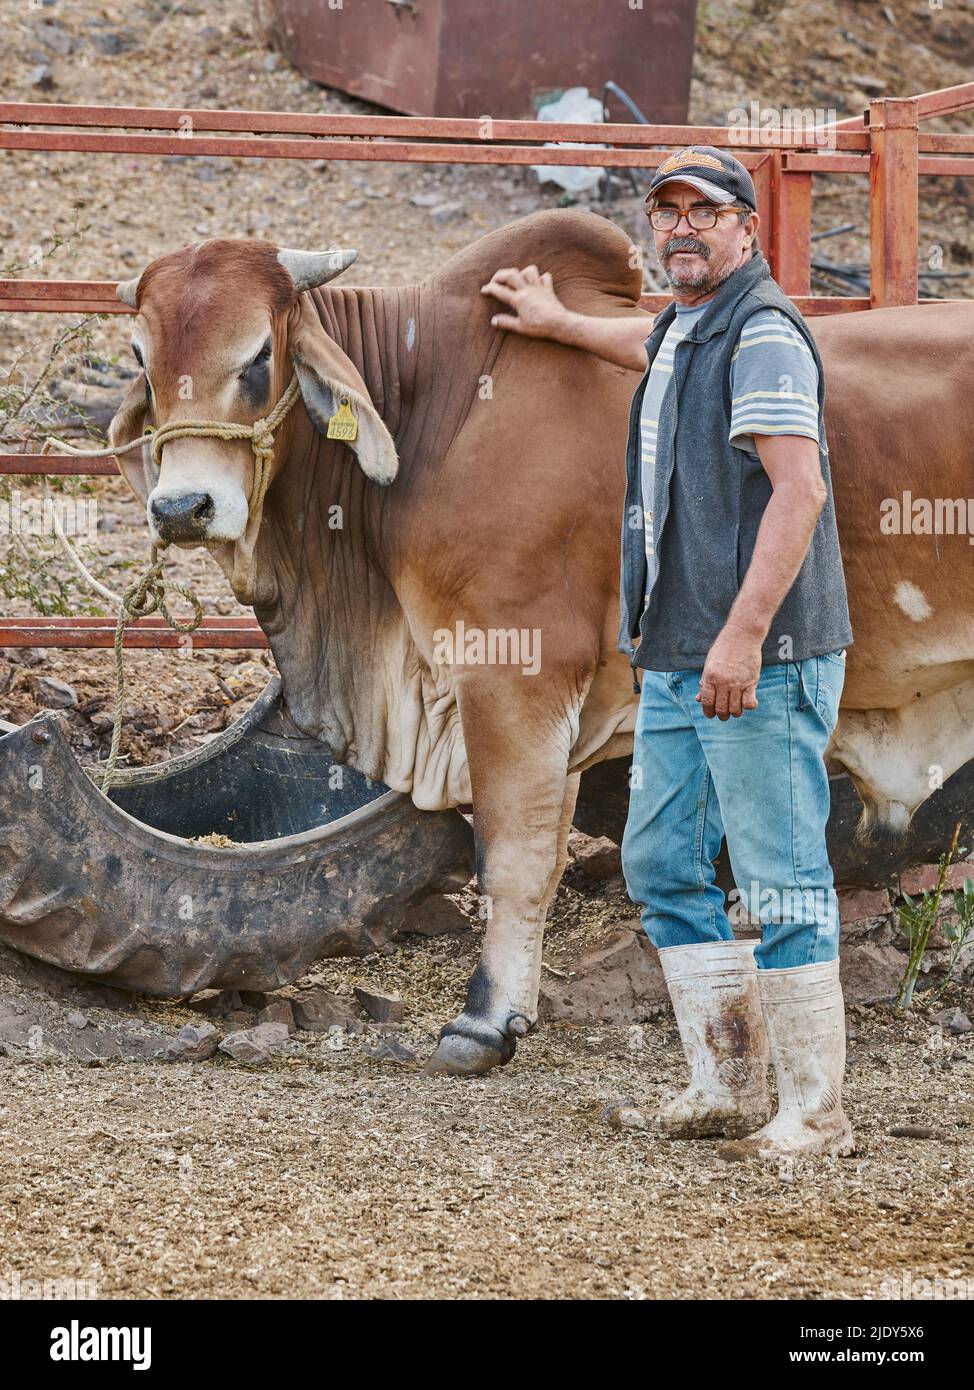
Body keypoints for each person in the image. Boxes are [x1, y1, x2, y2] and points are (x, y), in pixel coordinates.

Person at [481, 147, 854, 1159]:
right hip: (678, 655)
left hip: (753, 658)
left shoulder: (764, 335)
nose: (681, 227)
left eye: (704, 211)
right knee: (656, 860)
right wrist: (561, 324)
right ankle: (724, 1085)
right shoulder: (693, 326)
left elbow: (799, 491)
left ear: (746, 229)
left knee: (778, 879)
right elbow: (653, 346)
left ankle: (812, 1113)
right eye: (665, 212)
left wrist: (739, 636)